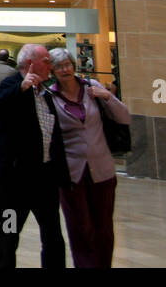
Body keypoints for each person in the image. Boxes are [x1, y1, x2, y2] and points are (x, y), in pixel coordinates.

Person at [45, 48, 131, 268]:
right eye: (58, 66)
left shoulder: (92, 88)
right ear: (52, 70)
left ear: (74, 66)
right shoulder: (50, 97)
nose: (64, 69)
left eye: (67, 64)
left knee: (103, 226)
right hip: (71, 173)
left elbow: (124, 116)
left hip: (101, 168)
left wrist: (107, 96)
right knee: (79, 227)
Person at [0, 43, 68, 269]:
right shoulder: (11, 85)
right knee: (9, 232)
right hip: (13, 182)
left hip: (43, 179)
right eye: (46, 61)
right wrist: (21, 88)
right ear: (30, 63)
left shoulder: (47, 92)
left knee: (52, 233)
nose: (50, 65)